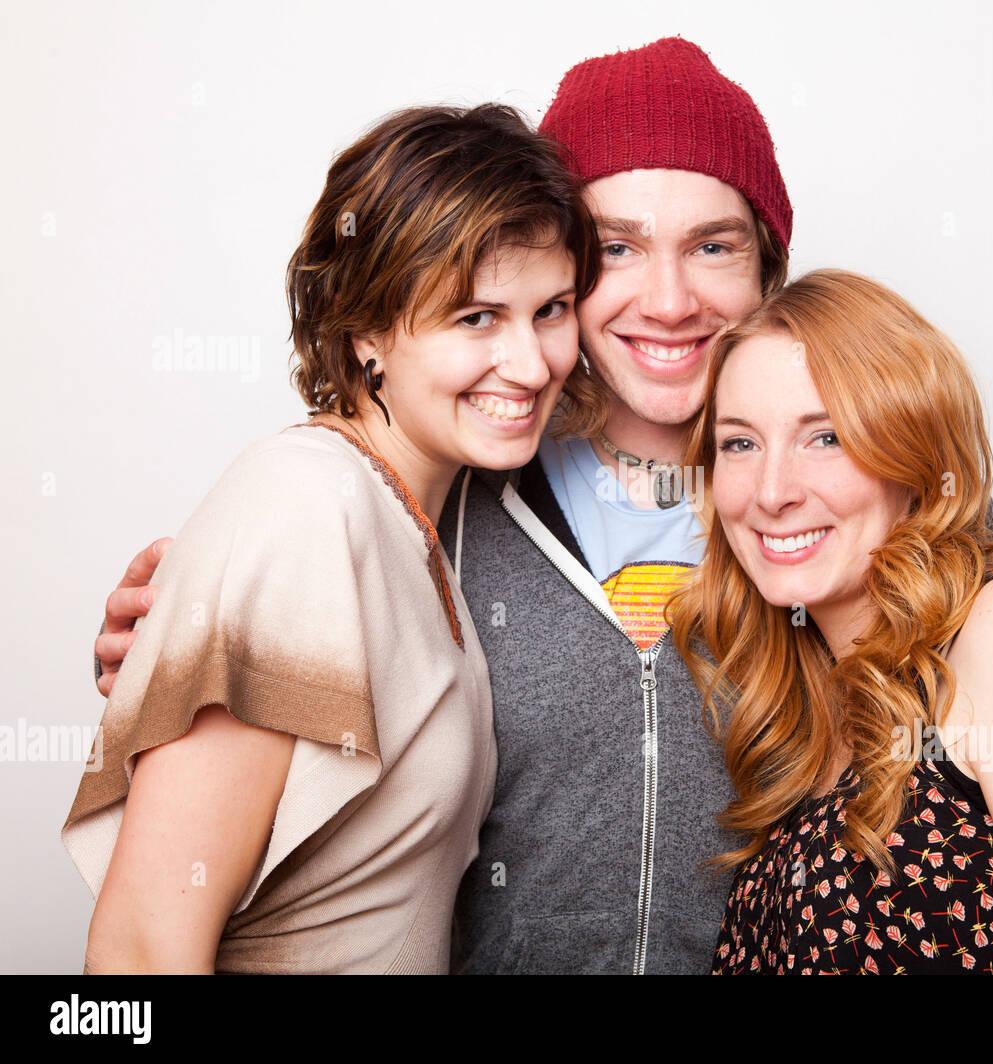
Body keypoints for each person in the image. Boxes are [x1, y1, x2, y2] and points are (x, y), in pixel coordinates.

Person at [92, 38, 993, 974]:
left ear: (767, 274)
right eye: (616, 248)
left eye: (713, 244)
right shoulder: (444, 491)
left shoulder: (823, 493)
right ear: (551, 265)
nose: (669, 296)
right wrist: (201, 630)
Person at [63, 103, 599, 973]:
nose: (532, 364)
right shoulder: (309, 502)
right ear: (367, 334)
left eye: (552, 310)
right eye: (476, 318)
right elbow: (141, 951)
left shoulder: (419, 524)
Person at [669, 269, 993, 973]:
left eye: (828, 437)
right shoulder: (812, 702)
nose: (773, 492)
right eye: (740, 444)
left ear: (912, 456)